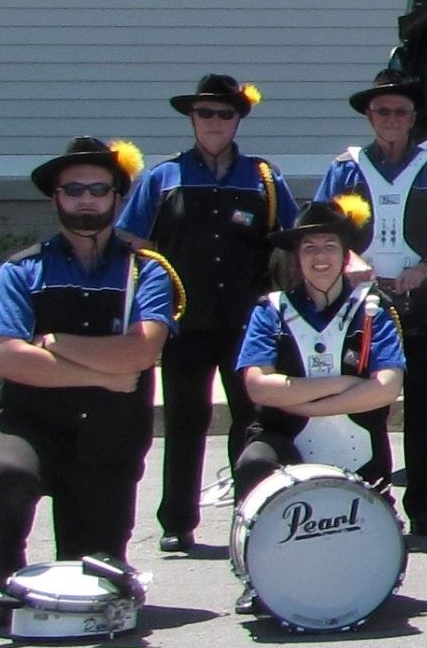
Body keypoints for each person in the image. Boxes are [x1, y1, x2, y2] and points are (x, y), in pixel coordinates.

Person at [0, 138, 182, 589]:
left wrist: (55, 343)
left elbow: (140, 353)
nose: (86, 199)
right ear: (56, 199)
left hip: (108, 440)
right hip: (28, 426)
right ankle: (7, 585)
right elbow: (9, 358)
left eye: (98, 189)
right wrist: (103, 376)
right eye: (73, 190)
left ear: (117, 198)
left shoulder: (146, 271)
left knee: (90, 583)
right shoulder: (21, 270)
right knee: (3, 474)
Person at [118, 73, 299, 555]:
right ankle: (178, 522)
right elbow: (133, 241)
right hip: (184, 321)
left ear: (238, 119)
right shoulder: (162, 178)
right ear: (191, 119)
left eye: (224, 113)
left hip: (248, 323)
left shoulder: (264, 178)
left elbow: (293, 240)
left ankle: (251, 515)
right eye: (205, 113)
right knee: (185, 420)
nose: (214, 121)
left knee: (252, 420)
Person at [315, 71, 427, 541]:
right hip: (361, 309)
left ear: (412, 117)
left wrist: (425, 267)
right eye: (382, 111)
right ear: (369, 116)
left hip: (423, 304)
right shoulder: (345, 169)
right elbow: (319, 233)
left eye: (400, 111)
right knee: (367, 406)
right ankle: (373, 501)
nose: (391, 119)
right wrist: (350, 260)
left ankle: (423, 508)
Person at [231, 197, 406, 504]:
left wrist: (307, 406)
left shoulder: (373, 310)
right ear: (297, 257)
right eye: (309, 247)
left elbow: (386, 387)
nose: (320, 256)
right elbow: (258, 387)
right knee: (253, 463)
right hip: (285, 442)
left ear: (345, 256)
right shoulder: (270, 310)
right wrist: (343, 383)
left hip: (360, 448)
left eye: (330, 245)